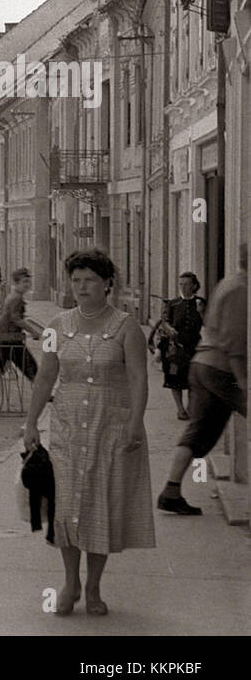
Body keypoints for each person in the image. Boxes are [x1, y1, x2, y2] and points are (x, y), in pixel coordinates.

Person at [23, 248, 153, 617]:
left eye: (90, 280)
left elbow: (138, 379)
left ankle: (93, 587)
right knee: (66, 505)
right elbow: (46, 375)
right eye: (76, 280)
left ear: (107, 284)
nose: (81, 287)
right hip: (66, 427)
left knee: (100, 504)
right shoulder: (57, 327)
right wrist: (31, 423)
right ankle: (70, 582)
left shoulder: (126, 327)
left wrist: (135, 423)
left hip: (111, 425)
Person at [157, 243, 247, 516]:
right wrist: (244, 383)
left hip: (203, 365)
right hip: (221, 370)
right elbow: (235, 343)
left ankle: (170, 491)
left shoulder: (228, 284)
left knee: (198, 432)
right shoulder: (241, 290)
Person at [147, 272, 204, 421]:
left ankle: (191, 407)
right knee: (174, 378)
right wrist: (169, 328)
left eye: (186, 284)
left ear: (194, 286)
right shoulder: (173, 303)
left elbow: (208, 323)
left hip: (194, 347)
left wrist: (201, 312)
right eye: (181, 284)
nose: (183, 287)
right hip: (175, 348)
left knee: (193, 378)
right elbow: (164, 321)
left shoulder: (201, 303)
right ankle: (180, 409)